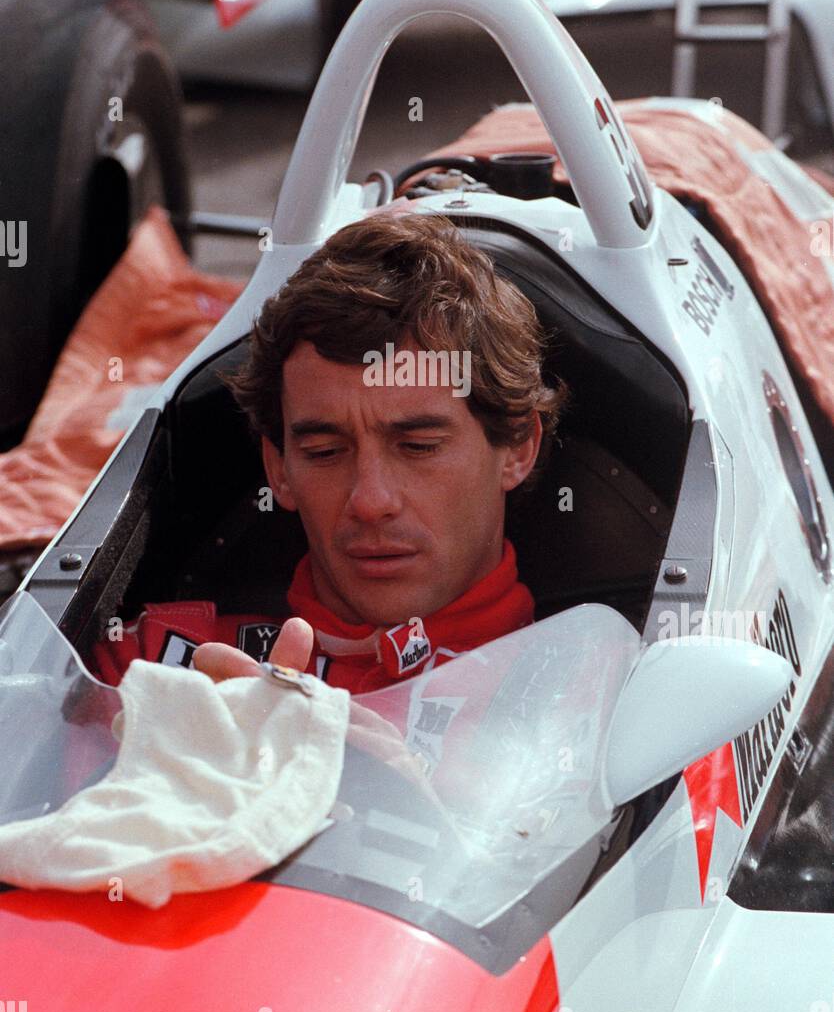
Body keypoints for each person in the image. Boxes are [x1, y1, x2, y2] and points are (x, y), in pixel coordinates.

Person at [92, 212, 567, 694]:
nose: (371, 501)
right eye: (324, 451)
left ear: (517, 448)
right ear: (278, 468)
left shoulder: (589, 690)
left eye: (418, 447)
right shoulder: (154, 667)